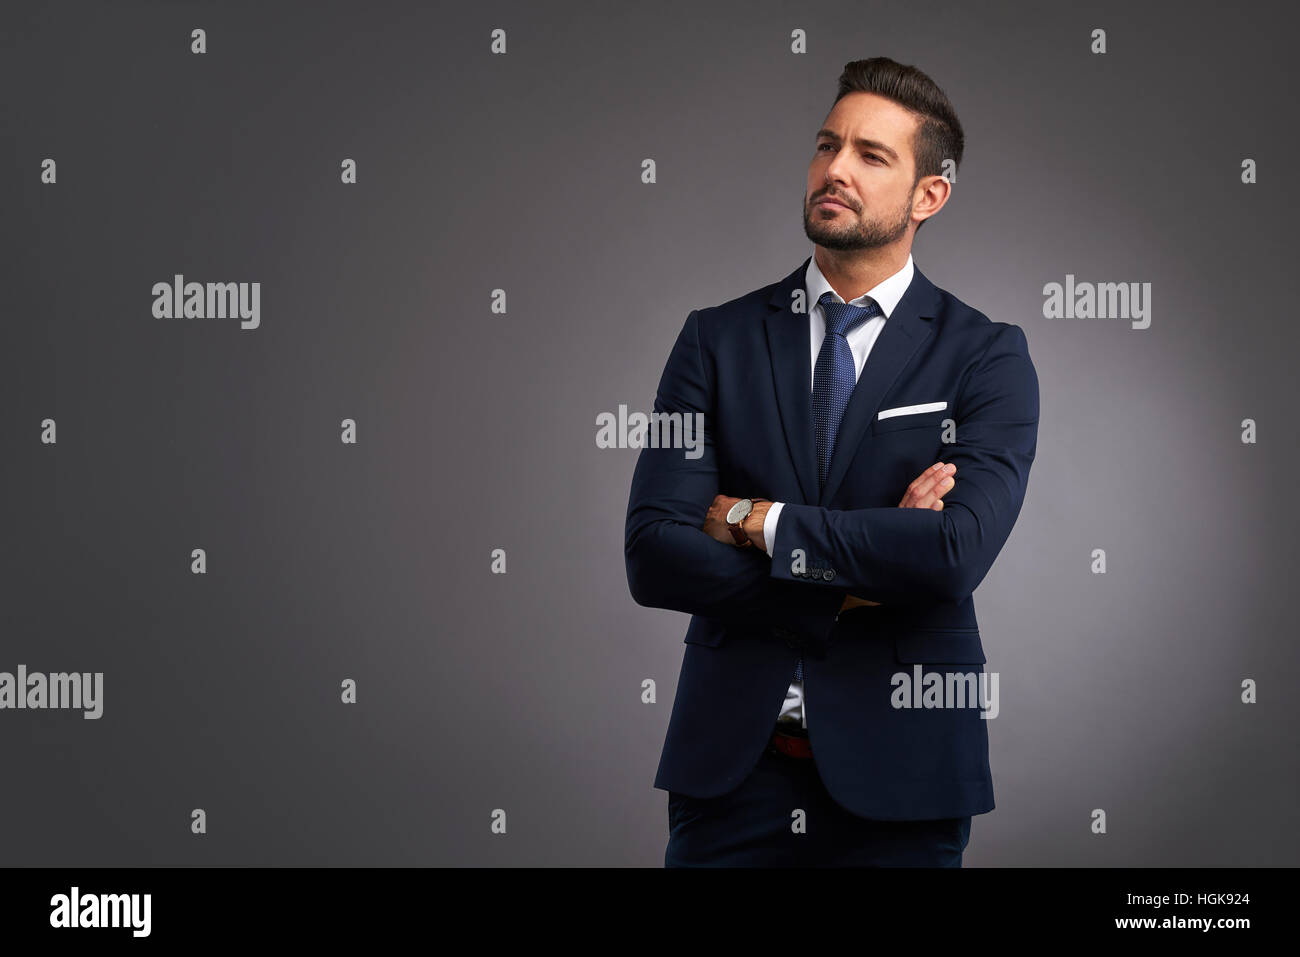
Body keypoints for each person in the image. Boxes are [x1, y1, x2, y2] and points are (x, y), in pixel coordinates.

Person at [624, 56, 1040, 866]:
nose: (834, 169)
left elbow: (953, 554)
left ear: (930, 194)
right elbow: (654, 553)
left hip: (905, 781)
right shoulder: (717, 339)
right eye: (826, 145)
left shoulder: (985, 356)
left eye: (870, 155)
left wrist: (758, 520)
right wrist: (860, 578)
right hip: (730, 778)